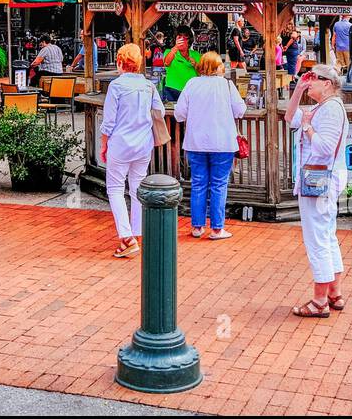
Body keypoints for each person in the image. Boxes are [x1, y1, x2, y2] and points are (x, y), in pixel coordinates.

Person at [284, 66, 349, 318]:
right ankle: (334, 292)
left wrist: (309, 128)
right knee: (327, 235)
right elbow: (290, 118)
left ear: (329, 83)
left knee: (318, 239)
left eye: (315, 78)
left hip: (319, 180)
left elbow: (323, 147)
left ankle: (320, 300)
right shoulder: (323, 108)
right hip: (320, 179)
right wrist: (298, 90)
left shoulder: (331, 109)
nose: (310, 81)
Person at [99, 43, 165, 259]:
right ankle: (138, 231)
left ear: (120, 62)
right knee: (137, 187)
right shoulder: (148, 86)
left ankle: (126, 238)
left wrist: (104, 144)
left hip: (121, 142)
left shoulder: (116, 87)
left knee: (115, 189)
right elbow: (160, 111)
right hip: (143, 143)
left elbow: (109, 121)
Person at [173, 51, 245, 241]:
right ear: (217, 67)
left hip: (195, 142)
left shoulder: (191, 84)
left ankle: (197, 227)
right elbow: (240, 110)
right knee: (219, 185)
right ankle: (217, 228)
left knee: (198, 184)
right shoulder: (227, 86)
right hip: (223, 143)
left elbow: (179, 114)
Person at [161, 30, 201, 102]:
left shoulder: (196, 54)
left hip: (191, 91)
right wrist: (176, 48)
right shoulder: (168, 52)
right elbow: (166, 63)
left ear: (189, 41)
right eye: (179, 38)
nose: (181, 41)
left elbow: (201, 73)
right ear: (175, 40)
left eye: (184, 38)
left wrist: (195, 65)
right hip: (172, 90)